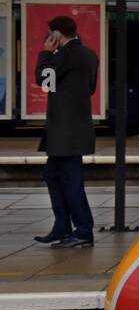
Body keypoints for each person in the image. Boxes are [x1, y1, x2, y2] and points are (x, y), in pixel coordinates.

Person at [34, 15, 99, 248]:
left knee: (71, 183)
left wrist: (45, 53)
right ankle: (62, 227)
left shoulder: (65, 55)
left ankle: (82, 230)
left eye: (52, 35)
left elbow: (44, 81)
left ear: (58, 35)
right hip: (74, 129)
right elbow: (89, 88)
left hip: (65, 132)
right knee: (52, 175)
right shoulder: (90, 56)